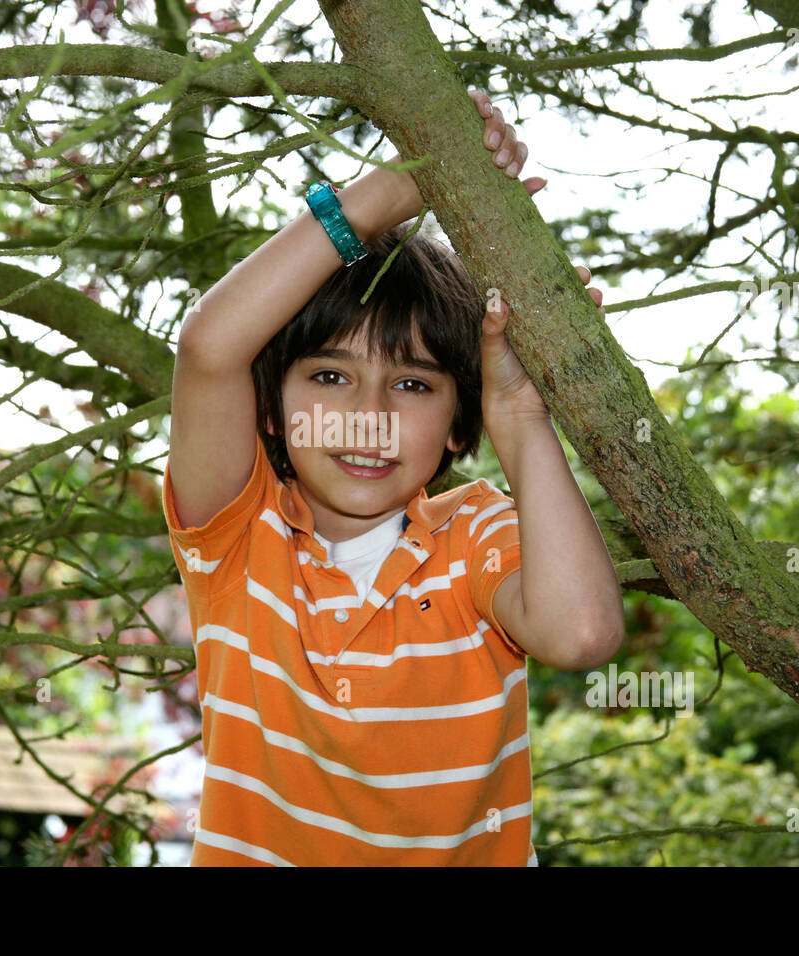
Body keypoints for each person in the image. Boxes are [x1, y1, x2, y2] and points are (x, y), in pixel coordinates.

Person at [163, 88, 625, 866]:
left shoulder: (476, 534)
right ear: (269, 411)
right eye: (330, 378)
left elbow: (580, 633)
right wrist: (408, 182)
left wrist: (520, 416)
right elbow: (209, 346)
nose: (367, 416)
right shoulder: (239, 539)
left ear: (456, 421)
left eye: (412, 385)